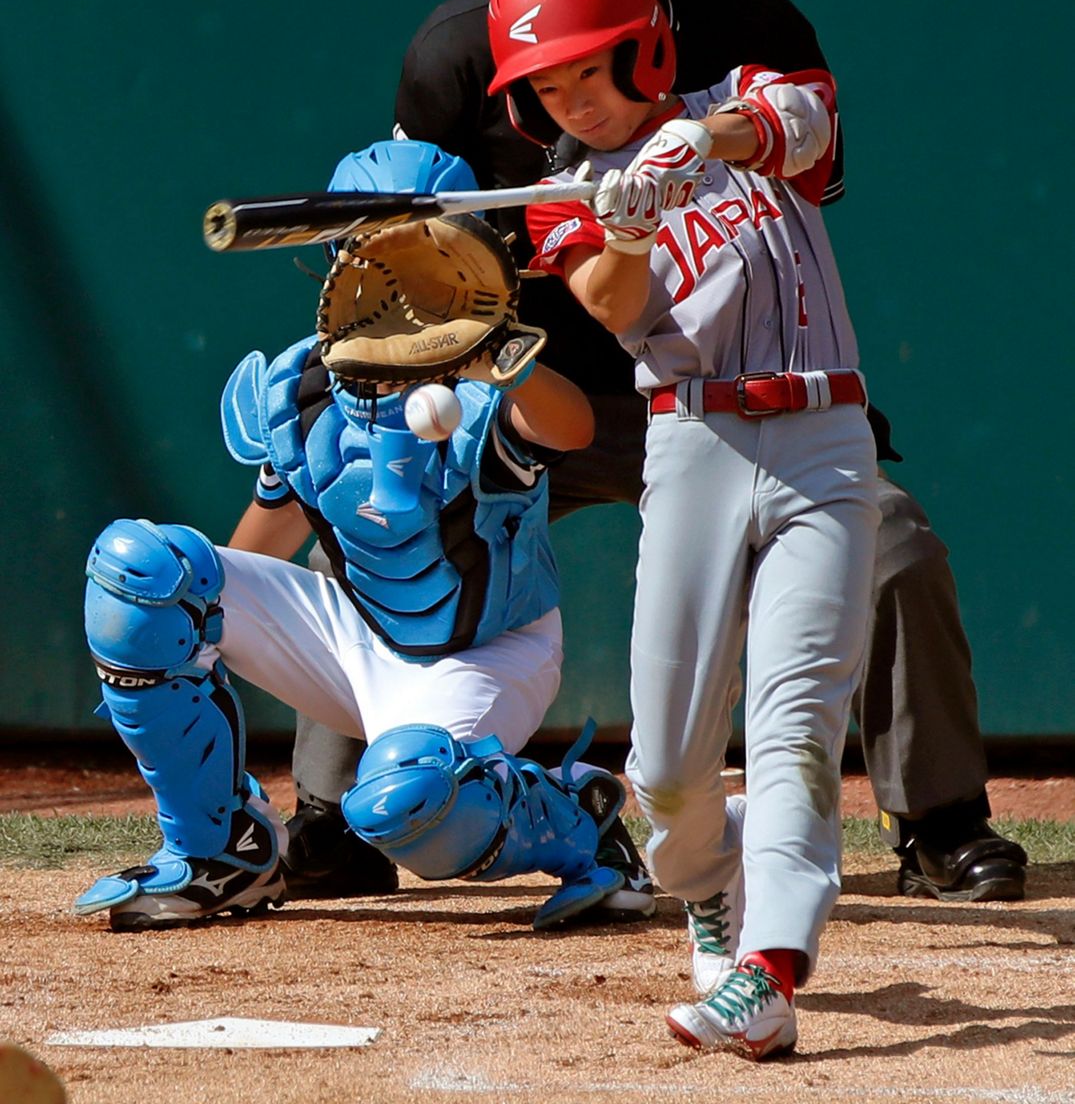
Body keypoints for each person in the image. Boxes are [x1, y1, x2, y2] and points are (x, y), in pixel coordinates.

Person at [286, 0, 1026, 906]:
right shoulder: (460, 49)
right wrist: (475, 285)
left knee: (894, 541)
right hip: (526, 382)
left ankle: (939, 820)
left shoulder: (746, 29)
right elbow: (424, 244)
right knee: (374, 517)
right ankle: (326, 809)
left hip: (717, 383)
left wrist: (695, 141)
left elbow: (804, 142)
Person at [71, 142, 650, 934]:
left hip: (484, 653)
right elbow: (249, 554)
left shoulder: (489, 375)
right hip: (353, 633)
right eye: (376, 251)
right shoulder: (303, 385)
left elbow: (570, 428)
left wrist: (495, 357)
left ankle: (579, 815)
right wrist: (174, 645)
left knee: (403, 810)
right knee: (142, 572)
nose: (401, 275)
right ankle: (221, 851)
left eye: (426, 253)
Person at [490, 0, 880, 1058]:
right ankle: (707, 877)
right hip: (692, 438)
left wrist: (699, 141)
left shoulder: (738, 93)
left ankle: (770, 970)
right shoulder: (569, 194)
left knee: (795, 717)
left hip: (822, 437)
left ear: (645, 49)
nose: (573, 102)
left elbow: (803, 123)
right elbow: (615, 307)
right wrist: (628, 221)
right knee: (662, 769)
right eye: (547, 88)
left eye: (588, 71)